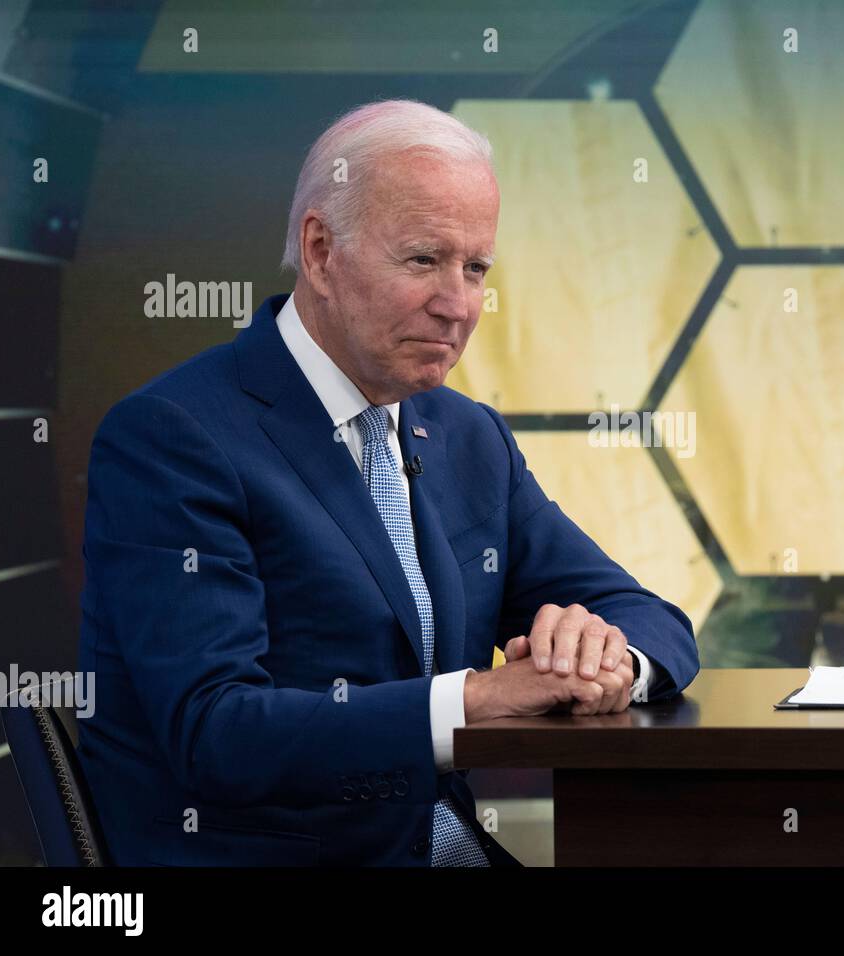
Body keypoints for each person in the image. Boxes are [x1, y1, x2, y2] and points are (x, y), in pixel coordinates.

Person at [77, 99, 699, 866]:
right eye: (422, 260)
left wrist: (608, 655)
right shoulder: (173, 438)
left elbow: (649, 616)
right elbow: (217, 731)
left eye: (475, 269)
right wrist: (477, 700)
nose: (459, 305)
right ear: (320, 251)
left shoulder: (471, 437)